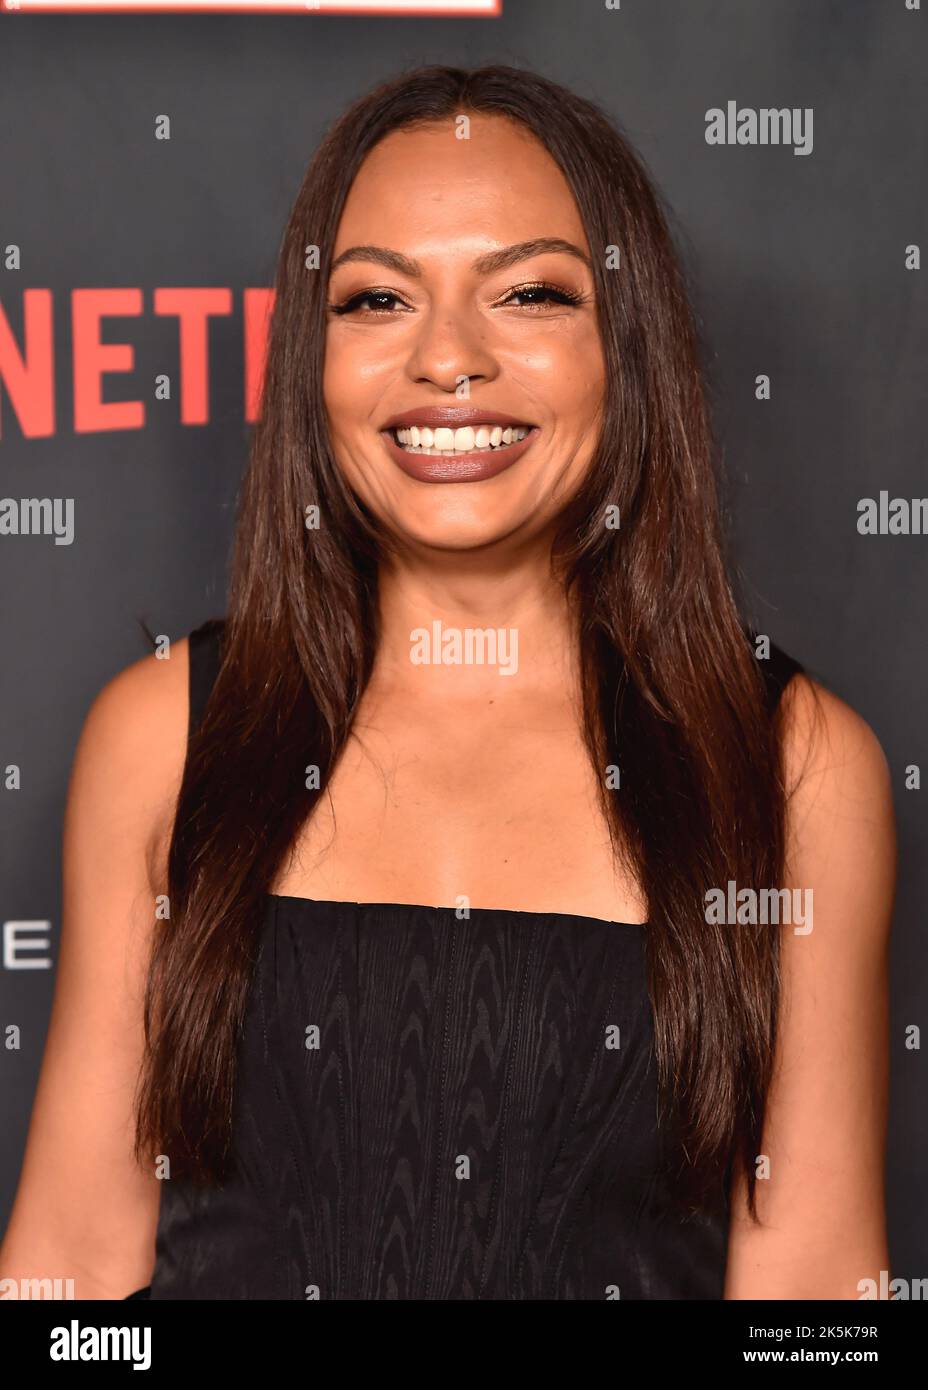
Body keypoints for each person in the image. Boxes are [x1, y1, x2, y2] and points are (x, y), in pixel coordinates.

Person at [0, 65, 895, 1301]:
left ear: (623, 348)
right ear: (313, 360)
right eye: (376, 298)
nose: (449, 361)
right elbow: (67, 1275)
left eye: (528, 292)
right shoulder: (163, 733)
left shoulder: (794, 765)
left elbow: (808, 1300)